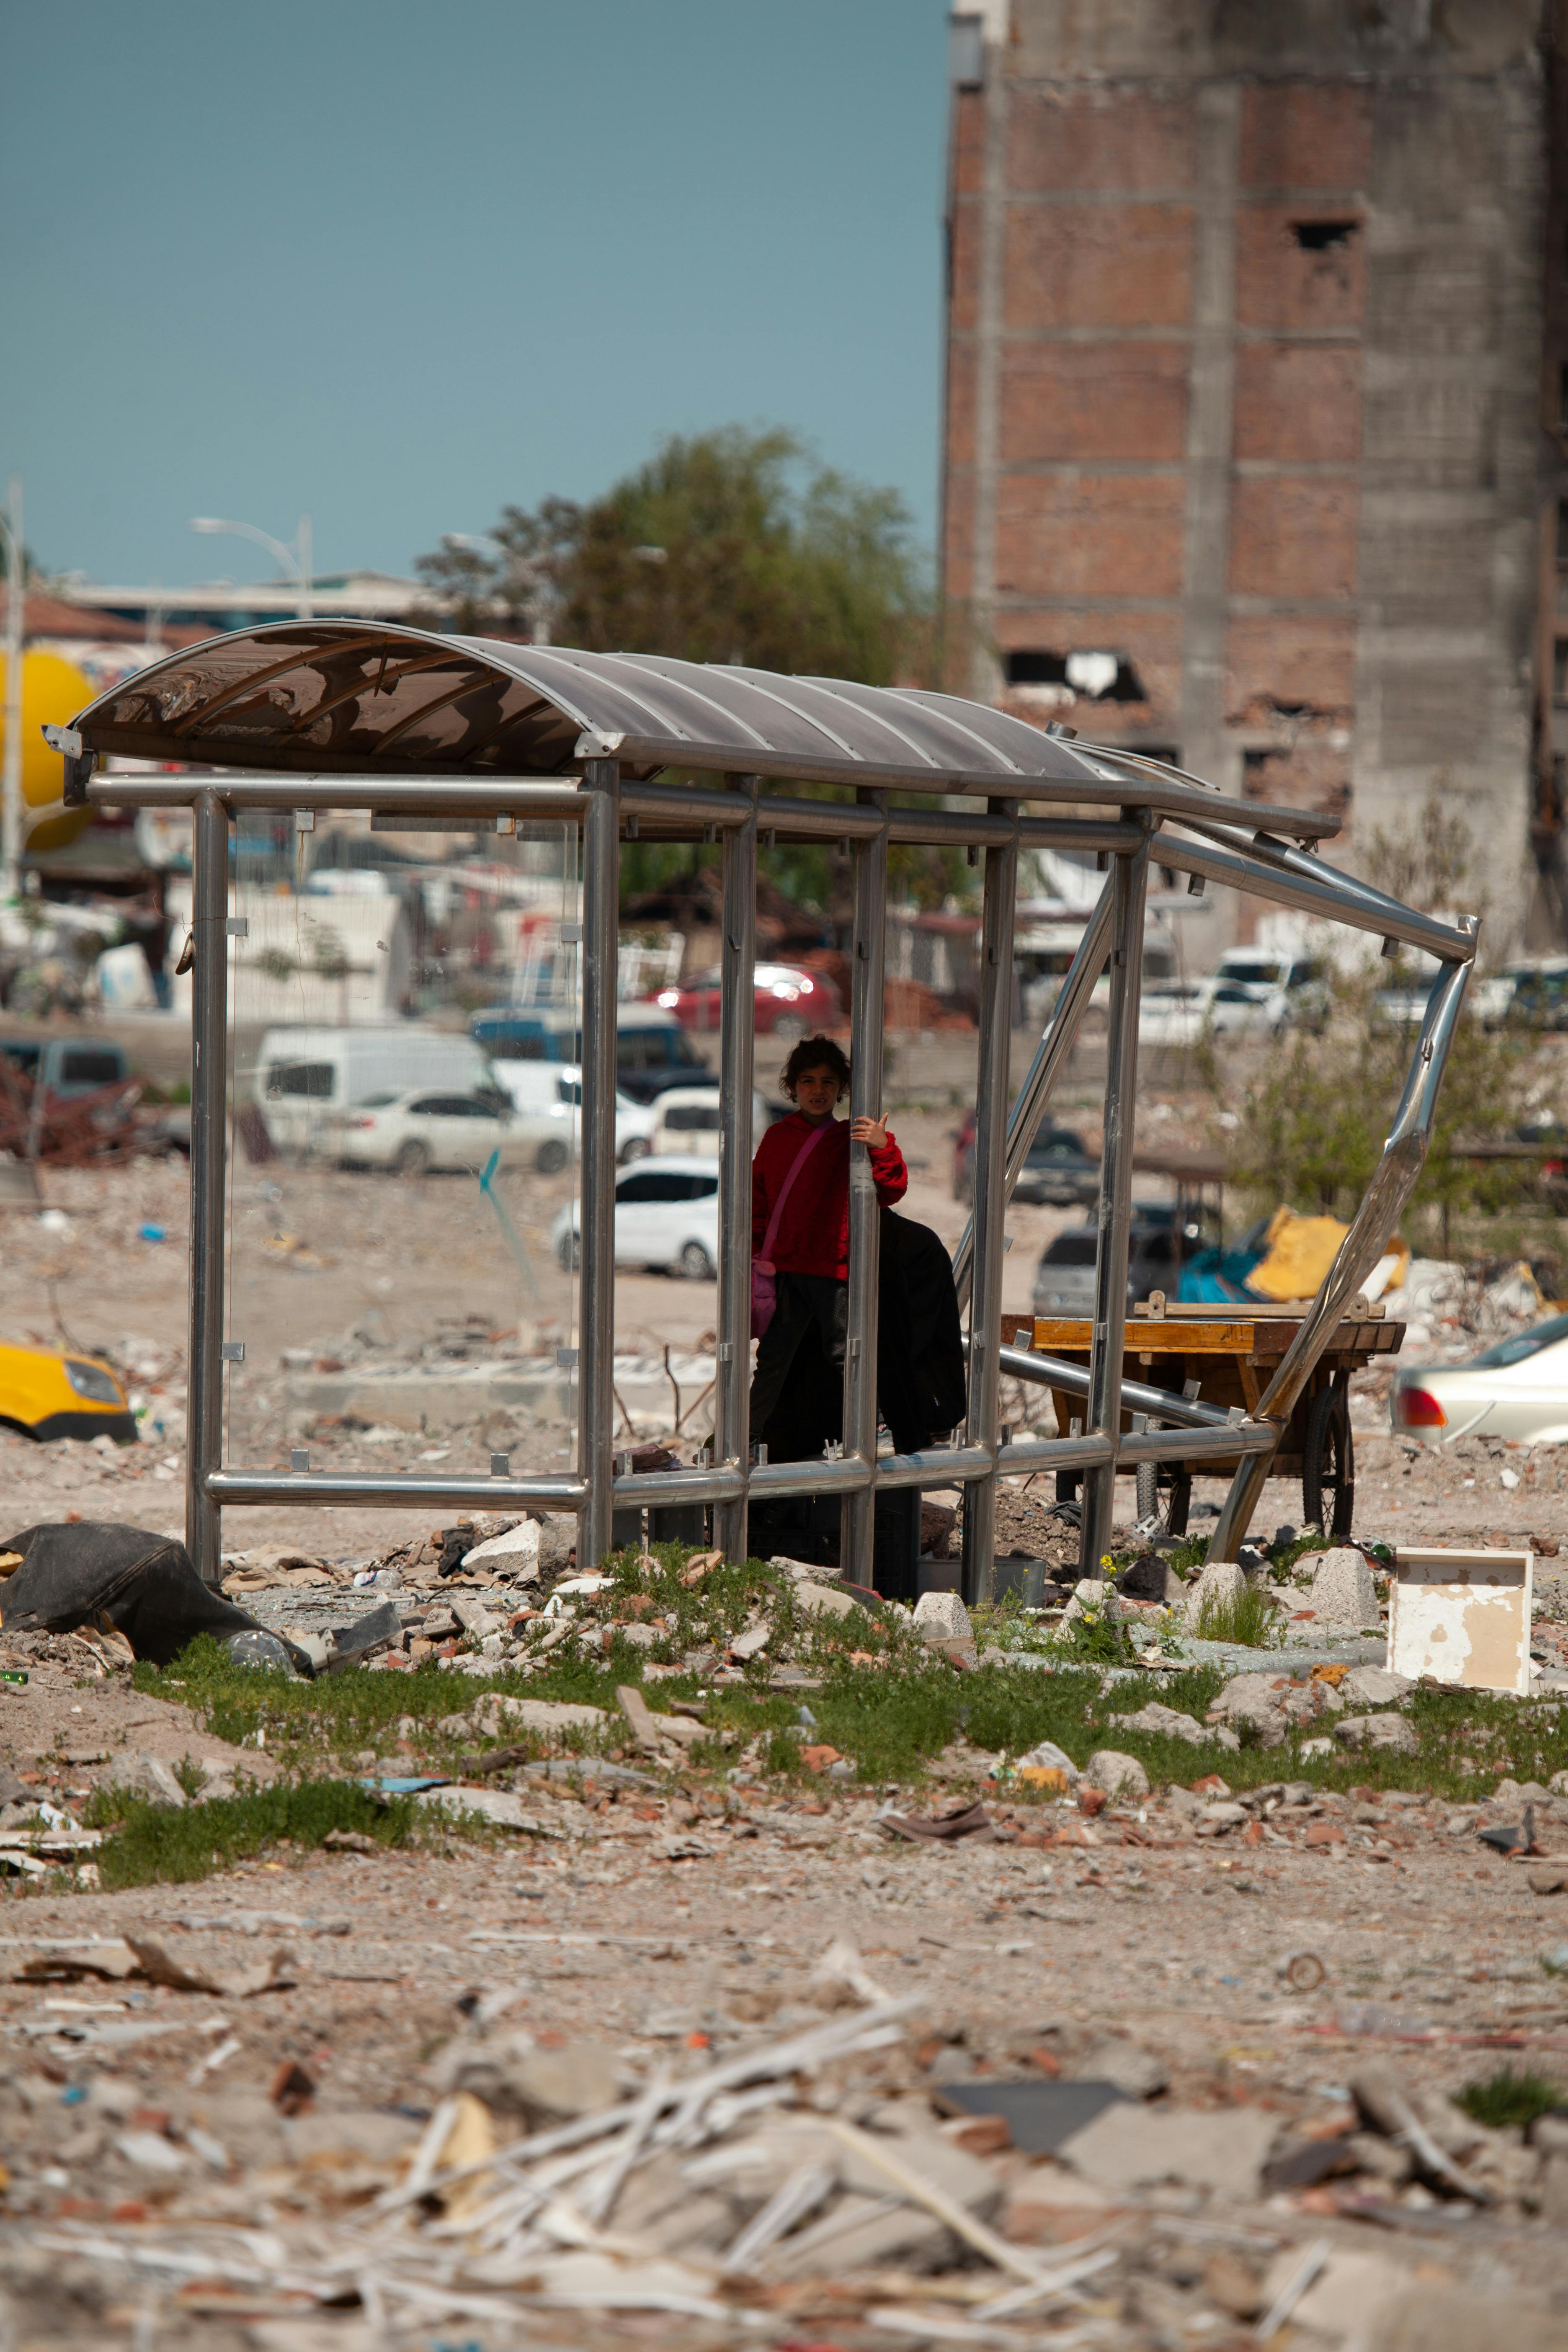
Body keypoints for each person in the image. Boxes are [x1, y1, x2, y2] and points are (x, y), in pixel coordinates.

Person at [748, 1034, 907, 1461]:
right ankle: (743, 1439)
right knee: (773, 1360)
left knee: (847, 1354)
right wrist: (756, 1257)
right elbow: (758, 1204)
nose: (818, 1090)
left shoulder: (852, 1138)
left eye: (828, 1082)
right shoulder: (777, 1138)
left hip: (835, 1268)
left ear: (842, 1089)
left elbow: (892, 1191)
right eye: (808, 1081)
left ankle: (881, 1426)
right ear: (792, 1087)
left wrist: (882, 1146)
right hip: (786, 1270)